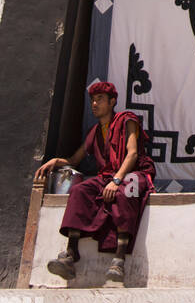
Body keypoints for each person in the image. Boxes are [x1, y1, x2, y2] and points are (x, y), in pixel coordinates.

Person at [36, 80, 155, 285]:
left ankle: (119, 260)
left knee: (126, 192)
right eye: (92, 99)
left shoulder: (128, 120)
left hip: (133, 172)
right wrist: (56, 161)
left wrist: (117, 180)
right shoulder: (95, 131)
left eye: (100, 99)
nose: (94, 104)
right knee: (80, 191)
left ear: (112, 101)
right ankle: (70, 254)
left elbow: (133, 154)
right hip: (108, 176)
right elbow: (74, 160)